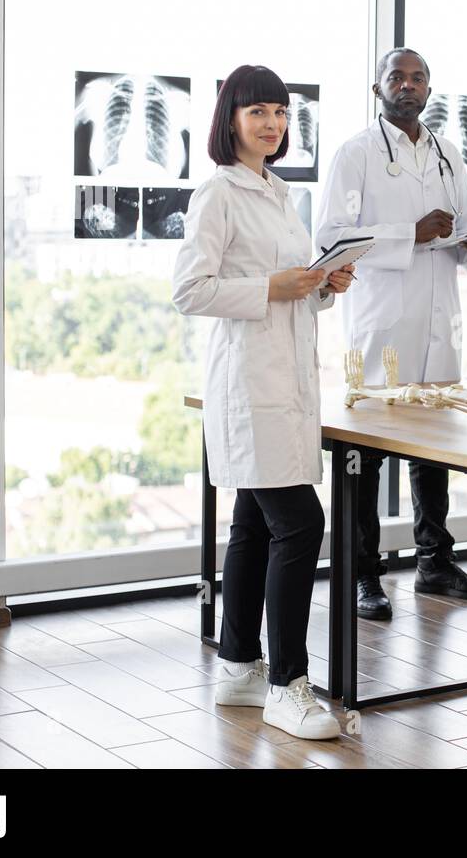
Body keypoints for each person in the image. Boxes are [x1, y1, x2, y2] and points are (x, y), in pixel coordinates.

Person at [172, 64, 354, 741]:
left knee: (252, 525)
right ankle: (286, 684)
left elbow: (291, 284)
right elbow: (190, 291)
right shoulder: (216, 194)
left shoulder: (280, 192)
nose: (273, 123)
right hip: (250, 384)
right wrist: (272, 288)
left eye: (281, 111)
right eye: (258, 112)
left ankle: (240, 667)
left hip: (287, 379)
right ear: (231, 119)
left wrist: (326, 283)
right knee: (300, 524)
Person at [315, 48, 467, 620]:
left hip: (439, 322)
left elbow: (463, 238)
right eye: (396, 77)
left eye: (418, 77)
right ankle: (362, 575)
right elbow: (331, 235)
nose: (408, 85)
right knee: (366, 457)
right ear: (377, 88)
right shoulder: (356, 155)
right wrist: (412, 231)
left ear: (430, 88)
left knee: (434, 450)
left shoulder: (450, 155)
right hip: (381, 325)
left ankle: (434, 562)